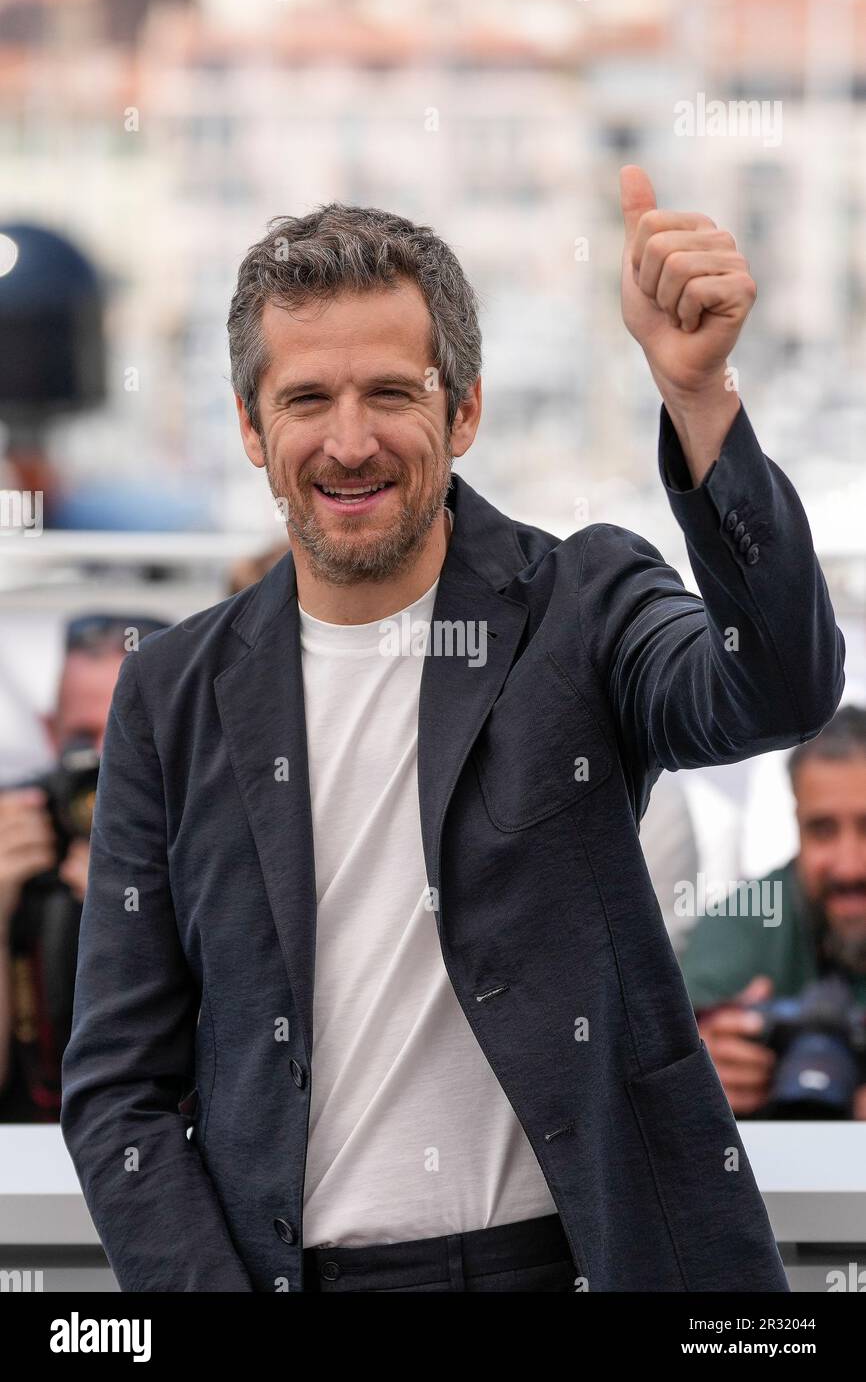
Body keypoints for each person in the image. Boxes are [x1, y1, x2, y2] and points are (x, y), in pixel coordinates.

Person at [60, 167, 844, 1293]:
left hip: (581, 1265)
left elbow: (776, 686)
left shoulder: (582, 604)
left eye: (390, 392)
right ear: (248, 426)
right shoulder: (171, 692)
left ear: (460, 408)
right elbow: (119, 1087)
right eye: (304, 399)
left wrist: (700, 395)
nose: (348, 443)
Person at [0, 613, 169, 1120]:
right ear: (49, 734)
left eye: (130, 734)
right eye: (83, 738)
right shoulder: (17, 827)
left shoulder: (219, 839)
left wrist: (145, 913)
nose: (103, 769)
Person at [681, 706, 866, 1119]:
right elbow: (643, 1061)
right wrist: (697, 1069)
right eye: (822, 830)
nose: (850, 866)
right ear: (795, 824)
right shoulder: (745, 920)